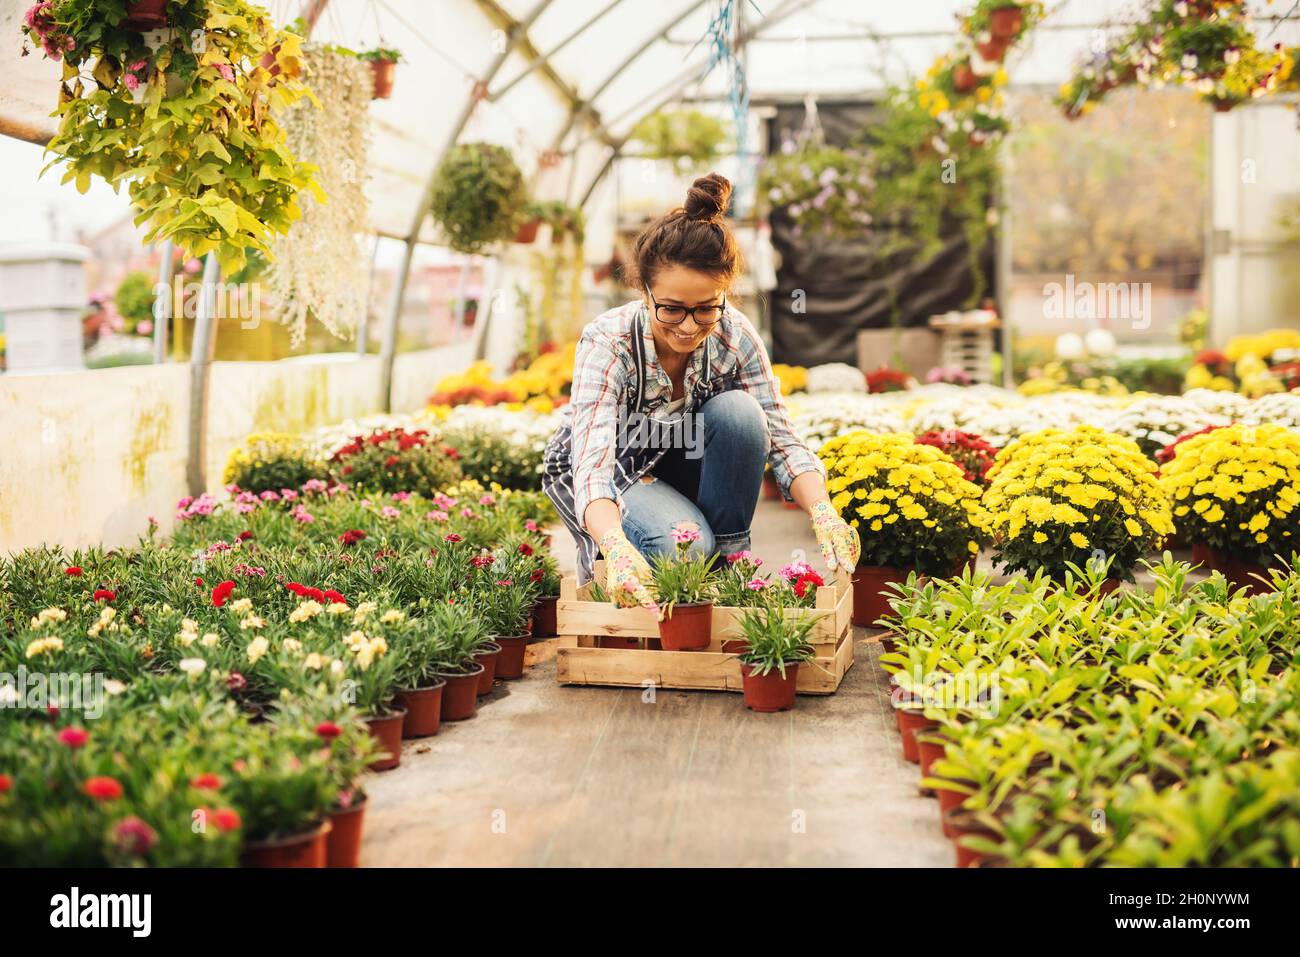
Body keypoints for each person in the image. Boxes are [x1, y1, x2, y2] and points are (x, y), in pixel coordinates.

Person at [541, 172, 860, 617]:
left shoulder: (735, 337)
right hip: (616, 471)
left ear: (726, 293)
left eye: (706, 307)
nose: (689, 326)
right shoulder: (608, 341)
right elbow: (593, 459)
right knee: (685, 550)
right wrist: (611, 542)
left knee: (742, 414)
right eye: (671, 308)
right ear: (644, 291)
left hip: (676, 458)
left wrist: (823, 512)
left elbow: (781, 437)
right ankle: (650, 559)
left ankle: (730, 562)